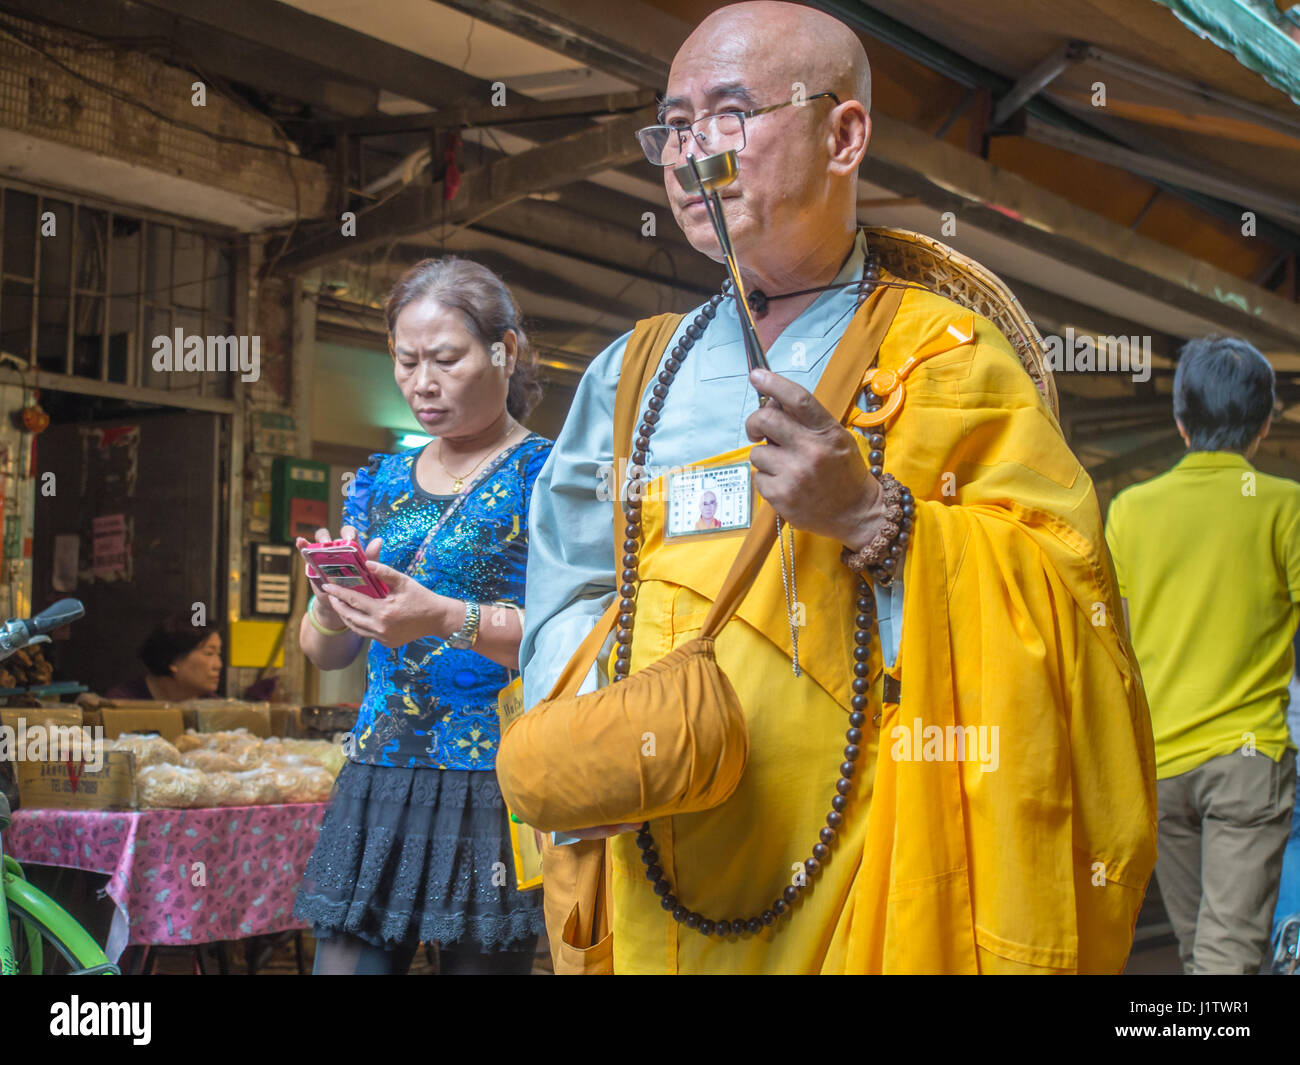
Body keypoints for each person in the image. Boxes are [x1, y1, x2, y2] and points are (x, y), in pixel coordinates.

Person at [502, 0, 1156, 974]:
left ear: (843, 132)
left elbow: (1068, 625)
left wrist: (873, 517)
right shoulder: (633, 373)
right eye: (671, 126)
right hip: (660, 866)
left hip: (870, 870)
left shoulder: (947, 362)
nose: (689, 154)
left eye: (726, 116)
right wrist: (622, 729)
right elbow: (567, 591)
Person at [292, 257, 552, 975]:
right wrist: (328, 601)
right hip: (379, 771)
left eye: (445, 358)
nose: (421, 383)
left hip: (495, 780)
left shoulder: (547, 474)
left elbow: (579, 635)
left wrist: (442, 617)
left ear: (505, 351)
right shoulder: (378, 484)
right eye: (405, 361)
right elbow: (325, 654)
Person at [1106, 335, 1299, 975]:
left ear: (1181, 422)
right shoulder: (1284, 506)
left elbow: (1118, 642)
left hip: (1159, 767)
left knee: (1203, 955)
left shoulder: (1131, 511)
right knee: (1228, 956)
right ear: (1266, 422)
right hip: (1247, 762)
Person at [107, 615, 223, 701]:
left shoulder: (213, 706)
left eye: (218, 654)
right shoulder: (123, 702)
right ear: (174, 660)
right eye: (209, 653)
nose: (218, 665)